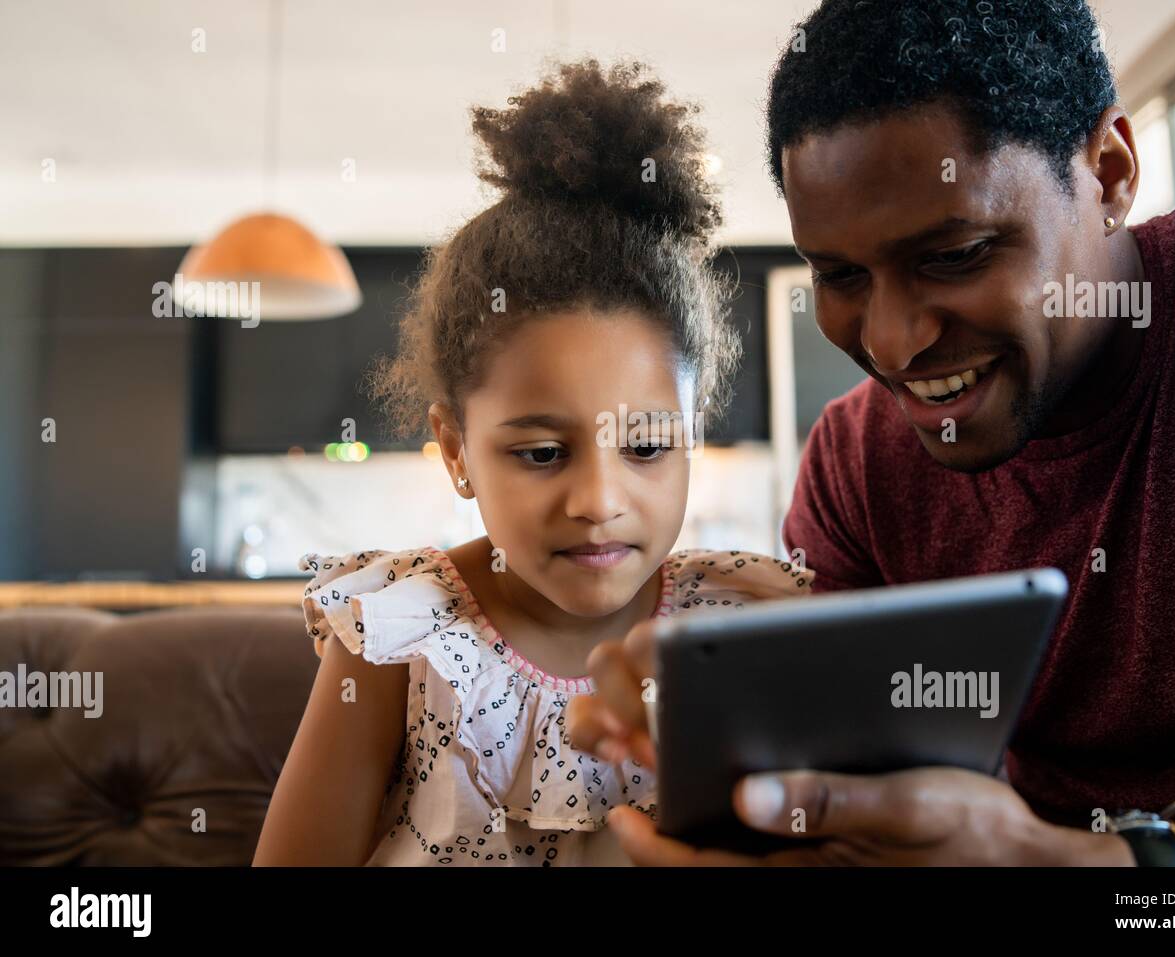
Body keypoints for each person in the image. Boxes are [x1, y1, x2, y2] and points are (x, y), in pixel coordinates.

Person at [569, 0, 1175, 865]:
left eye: (955, 256)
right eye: (840, 275)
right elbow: (879, 807)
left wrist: (1105, 870)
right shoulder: (853, 467)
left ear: (1107, 173)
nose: (890, 342)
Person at [252, 60, 812, 867]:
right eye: (543, 452)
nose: (598, 499)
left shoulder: (743, 624)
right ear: (456, 451)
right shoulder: (400, 641)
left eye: (648, 446)